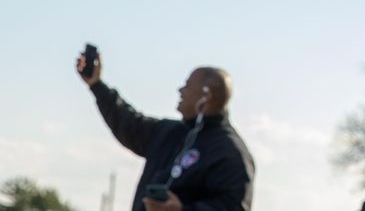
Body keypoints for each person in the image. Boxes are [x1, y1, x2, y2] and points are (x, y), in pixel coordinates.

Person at [76, 49, 254, 211]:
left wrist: (181, 210)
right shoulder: (170, 133)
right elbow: (129, 124)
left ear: (206, 95)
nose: (180, 91)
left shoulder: (229, 153)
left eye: (187, 85)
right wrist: (97, 85)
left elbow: (234, 208)